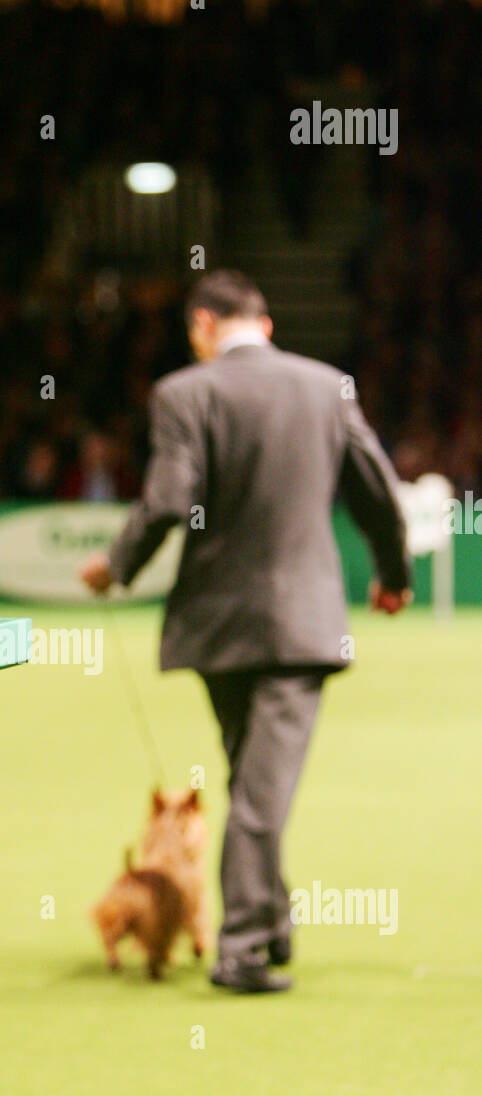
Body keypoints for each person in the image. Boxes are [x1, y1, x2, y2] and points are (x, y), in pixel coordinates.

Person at [80, 270, 412, 994]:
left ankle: (267, 924)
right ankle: (245, 948)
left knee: (254, 784)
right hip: (300, 624)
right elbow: (376, 487)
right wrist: (392, 573)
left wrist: (117, 565)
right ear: (262, 324)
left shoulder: (182, 393)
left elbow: (169, 499)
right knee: (261, 792)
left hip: (217, 627)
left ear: (202, 323)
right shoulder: (328, 387)